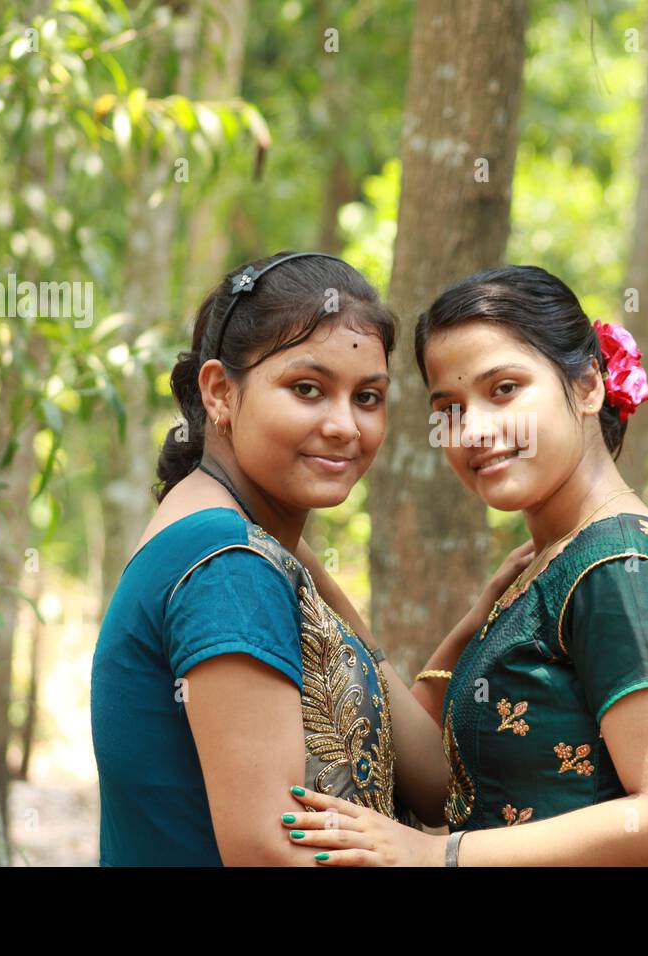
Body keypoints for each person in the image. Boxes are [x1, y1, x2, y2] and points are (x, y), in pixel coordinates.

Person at [89, 251, 531, 865]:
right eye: (307, 389)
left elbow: (432, 787)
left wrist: (480, 621)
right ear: (220, 391)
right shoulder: (226, 564)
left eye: (369, 397)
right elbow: (272, 850)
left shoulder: (243, 541)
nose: (345, 426)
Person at [282, 264, 648, 866]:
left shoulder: (621, 566)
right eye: (452, 408)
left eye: (504, 389)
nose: (477, 430)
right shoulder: (550, 565)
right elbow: (446, 786)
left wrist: (433, 856)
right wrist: (298, 554)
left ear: (589, 385)